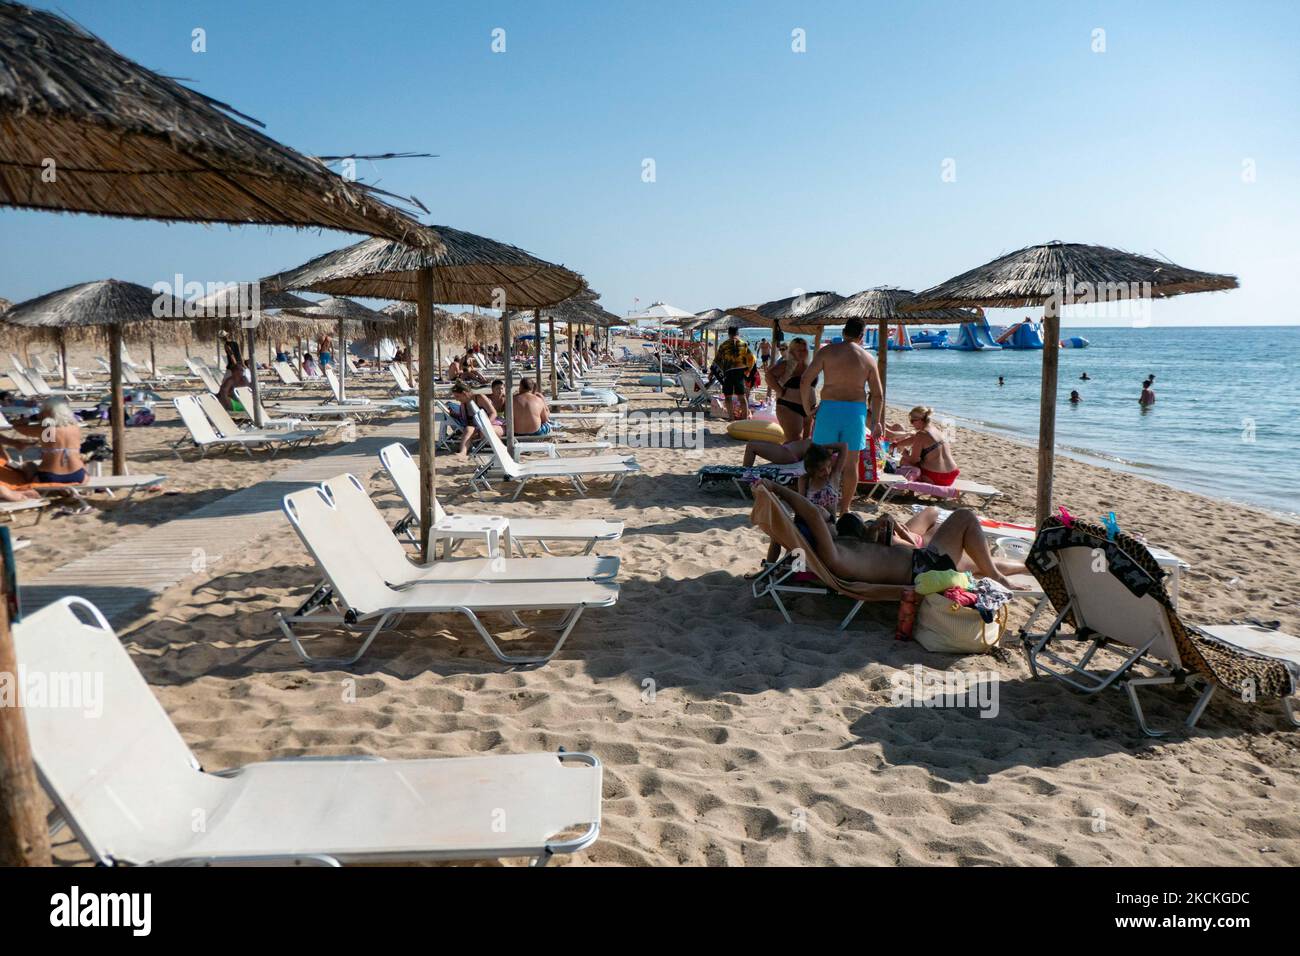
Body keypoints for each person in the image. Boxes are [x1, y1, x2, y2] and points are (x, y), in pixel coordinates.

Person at [760, 479, 1026, 590]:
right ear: (821, 529)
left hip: (923, 562)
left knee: (972, 561)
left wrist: (879, 530)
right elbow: (814, 515)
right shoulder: (833, 553)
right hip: (923, 567)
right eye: (829, 520)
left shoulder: (840, 548)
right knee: (965, 516)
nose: (830, 518)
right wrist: (778, 489)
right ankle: (997, 575)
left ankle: (1026, 566)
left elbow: (816, 516)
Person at [800, 317, 882, 517]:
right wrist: (877, 421)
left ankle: (813, 501)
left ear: (844, 332)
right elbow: (877, 394)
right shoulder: (868, 359)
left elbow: (805, 380)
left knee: (818, 457)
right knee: (851, 464)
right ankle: (845, 508)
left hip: (828, 410)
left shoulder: (827, 351)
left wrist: (808, 409)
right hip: (854, 412)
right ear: (862, 336)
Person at [0, 397, 87, 486]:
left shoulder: (46, 429)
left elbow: (17, 427)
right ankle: (66, 490)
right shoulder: (75, 428)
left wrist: (28, 420)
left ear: (48, 412)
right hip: (78, 475)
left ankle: (61, 488)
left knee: (28, 465)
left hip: (51, 476)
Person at [887, 406, 960, 486]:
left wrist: (905, 454)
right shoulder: (936, 430)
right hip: (952, 474)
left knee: (904, 461)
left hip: (937, 477)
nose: (911, 423)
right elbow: (913, 439)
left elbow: (913, 460)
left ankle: (908, 489)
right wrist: (896, 444)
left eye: (912, 420)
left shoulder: (921, 435)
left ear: (921, 420)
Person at [766, 336, 812, 442]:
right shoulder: (786, 365)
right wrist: (779, 390)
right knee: (793, 440)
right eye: (798, 350)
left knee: (805, 441)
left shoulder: (808, 366)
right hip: (788, 406)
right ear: (792, 351)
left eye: (804, 349)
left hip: (808, 408)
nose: (802, 352)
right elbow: (769, 376)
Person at [449, 381, 503, 456]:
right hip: (477, 427)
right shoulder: (464, 403)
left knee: (481, 432)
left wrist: (484, 426)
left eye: (457, 396)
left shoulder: (479, 397)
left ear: (464, 393)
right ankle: (462, 453)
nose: (456, 399)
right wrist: (453, 414)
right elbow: (464, 417)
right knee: (468, 429)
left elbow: (493, 413)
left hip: (492, 424)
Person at [714, 326, 756, 421]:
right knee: (741, 396)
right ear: (738, 334)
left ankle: (731, 418)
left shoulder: (723, 345)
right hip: (739, 373)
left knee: (728, 396)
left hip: (728, 373)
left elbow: (717, 360)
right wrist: (748, 370)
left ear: (729, 334)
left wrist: (713, 373)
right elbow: (752, 358)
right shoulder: (743, 344)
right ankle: (744, 419)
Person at [743, 436, 814, 468]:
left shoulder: (818, 442)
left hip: (788, 453)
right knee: (752, 443)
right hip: (787, 450)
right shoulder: (819, 437)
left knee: (751, 445)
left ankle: (744, 474)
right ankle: (744, 473)